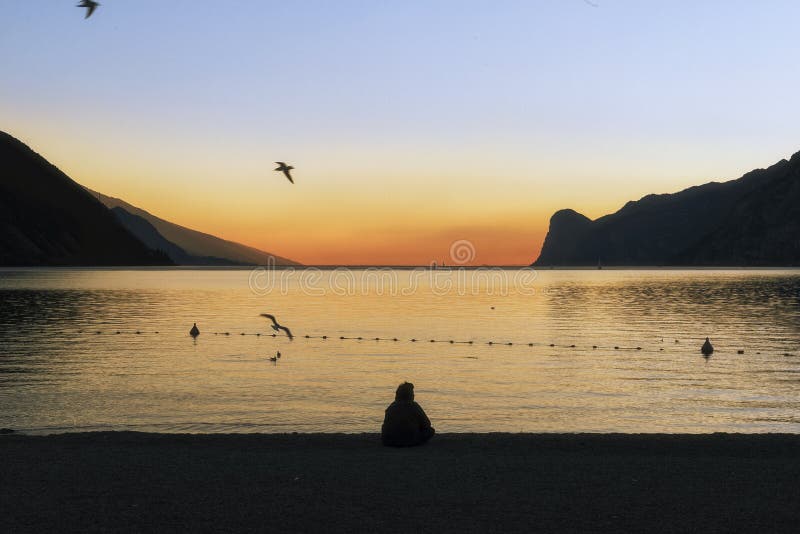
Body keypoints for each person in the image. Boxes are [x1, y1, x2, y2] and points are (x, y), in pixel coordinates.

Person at [381, 382, 435, 447]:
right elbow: (427, 424)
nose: (414, 395)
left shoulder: (391, 407)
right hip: (410, 441)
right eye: (413, 393)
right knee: (430, 430)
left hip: (389, 441)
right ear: (410, 395)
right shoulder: (414, 406)